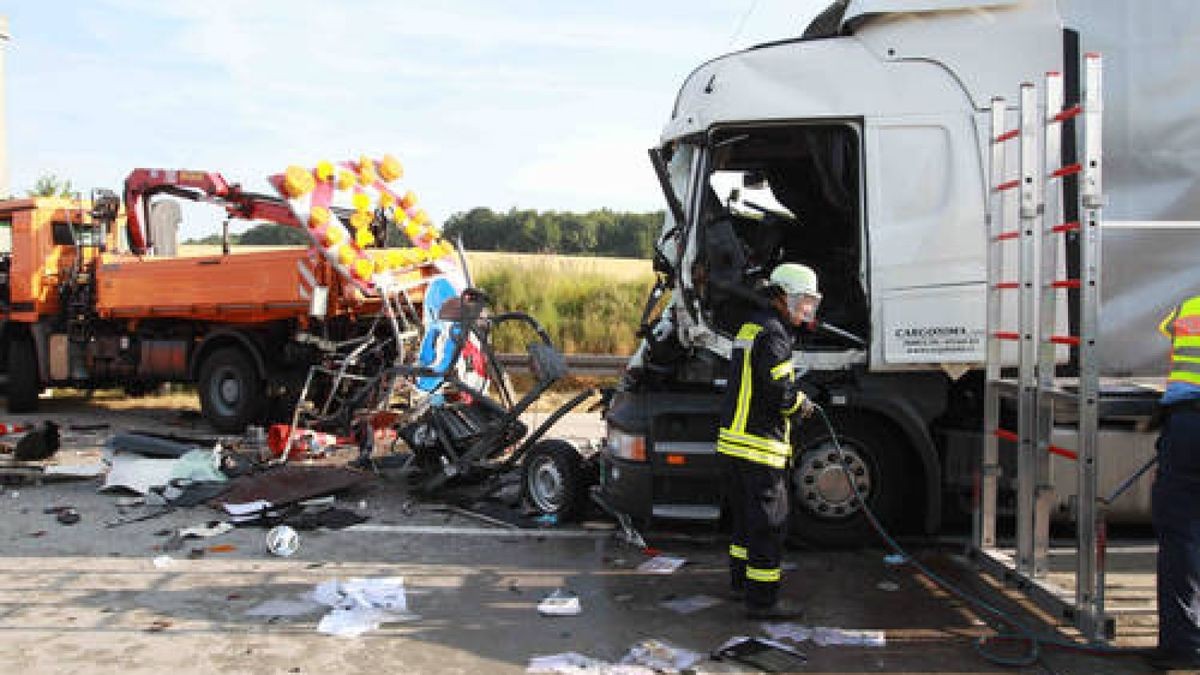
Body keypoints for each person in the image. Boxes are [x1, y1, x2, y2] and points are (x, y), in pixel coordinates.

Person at [718, 262, 820, 620]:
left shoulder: (752, 325)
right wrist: (802, 405)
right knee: (769, 526)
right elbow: (779, 393)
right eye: (805, 301)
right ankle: (763, 602)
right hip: (759, 446)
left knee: (745, 523)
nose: (808, 310)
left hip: (735, 443)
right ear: (785, 296)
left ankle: (740, 586)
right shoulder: (775, 333)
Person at [1149, 294, 1200, 671]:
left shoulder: (1189, 308)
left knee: (1181, 534)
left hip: (1189, 423)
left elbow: (1165, 327)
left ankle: (1184, 645)